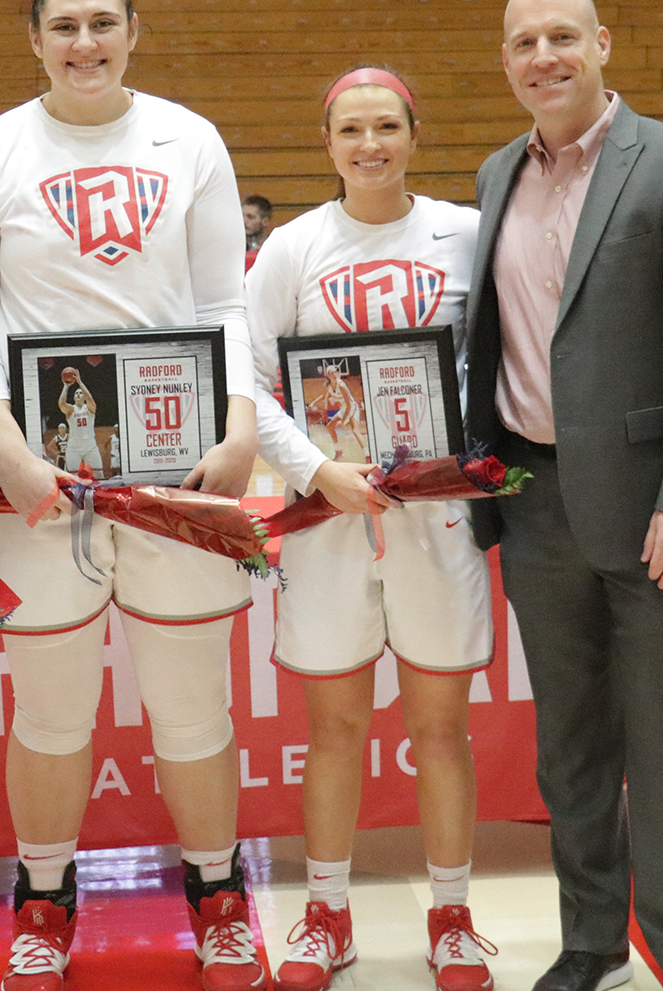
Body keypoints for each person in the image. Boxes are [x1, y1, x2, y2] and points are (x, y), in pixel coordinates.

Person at [0, 0, 265, 991]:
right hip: (41, 484)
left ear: (135, 32)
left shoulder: (190, 139)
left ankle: (216, 896)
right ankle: (43, 902)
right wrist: (8, 450)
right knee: (53, 709)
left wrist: (244, 417)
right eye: (65, 26)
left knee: (190, 705)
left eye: (103, 24)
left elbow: (224, 301)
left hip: (175, 477)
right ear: (33, 39)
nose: (85, 43)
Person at [463, 0, 663, 991]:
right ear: (505, 61)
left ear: (602, 43)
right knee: (570, 747)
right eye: (523, 42)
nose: (543, 57)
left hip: (652, 509)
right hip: (533, 501)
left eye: (561, 37)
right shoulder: (498, 173)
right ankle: (591, 942)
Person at [245, 65, 497, 991]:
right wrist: (314, 470)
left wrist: (459, 460)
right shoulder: (293, 248)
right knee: (336, 726)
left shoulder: (468, 236)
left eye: (386, 127)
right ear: (328, 144)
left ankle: (454, 915)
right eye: (351, 131)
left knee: (441, 729)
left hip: (437, 520)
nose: (370, 146)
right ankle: (325, 914)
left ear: (414, 133)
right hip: (327, 518)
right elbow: (253, 381)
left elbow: (495, 369)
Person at [57, 369, 106, 473]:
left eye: (80, 393)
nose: (78, 394)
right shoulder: (71, 409)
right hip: (74, 448)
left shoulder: (90, 408)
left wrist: (80, 382)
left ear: (84, 396)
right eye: (76, 393)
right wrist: (66, 386)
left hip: (90, 447)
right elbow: (61, 404)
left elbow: (90, 398)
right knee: (73, 478)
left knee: (99, 475)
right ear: (74, 398)